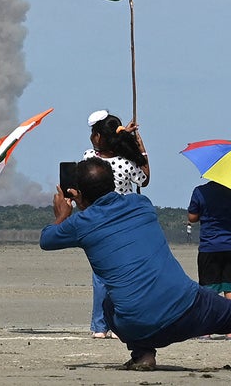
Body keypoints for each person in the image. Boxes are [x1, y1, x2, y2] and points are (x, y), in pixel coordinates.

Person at [40, 158, 231, 373]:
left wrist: (62, 213)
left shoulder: (78, 224)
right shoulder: (142, 205)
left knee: (109, 305)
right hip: (185, 307)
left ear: (76, 193)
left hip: (135, 325)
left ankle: (142, 354)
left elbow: (47, 239)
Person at [82, 110, 149, 339]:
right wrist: (138, 145)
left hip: (97, 224)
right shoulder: (126, 164)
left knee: (100, 277)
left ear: (99, 137)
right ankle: (119, 324)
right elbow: (145, 179)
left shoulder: (89, 157)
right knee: (122, 278)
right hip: (123, 224)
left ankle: (99, 326)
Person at [188, 180, 231, 338]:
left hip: (209, 247)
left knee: (209, 290)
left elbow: (192, 217)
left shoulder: (200, 191)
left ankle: (207, 330)